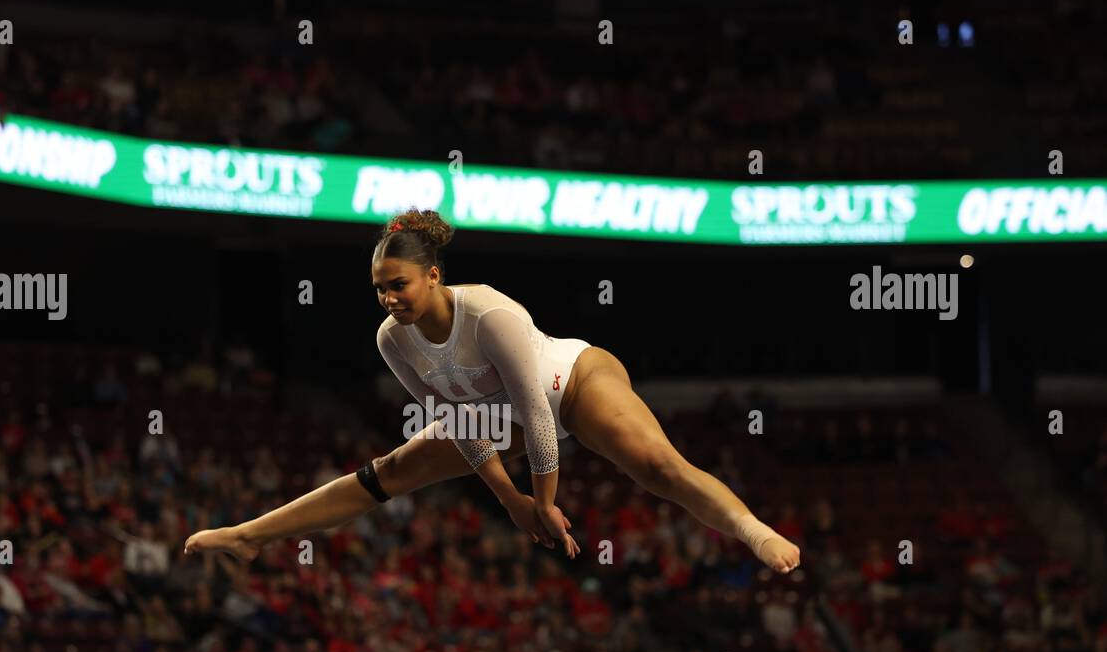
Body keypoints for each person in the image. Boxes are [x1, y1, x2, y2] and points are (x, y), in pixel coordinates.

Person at [183, 209, 800, 578]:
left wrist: (543, 502)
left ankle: (753, 530)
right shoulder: (392, 340)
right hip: (495, 415)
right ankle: (249, 537)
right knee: (386, 472)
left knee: (654, 464)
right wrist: (509, 501)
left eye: (398, 285)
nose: (388, 299)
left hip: (570, 382)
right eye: (378, 289)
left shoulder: (487, 314)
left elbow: (535, 411)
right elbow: (457, 422)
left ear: (432, 275)